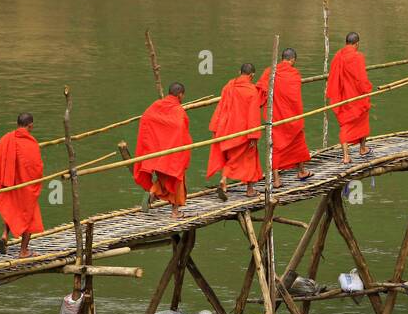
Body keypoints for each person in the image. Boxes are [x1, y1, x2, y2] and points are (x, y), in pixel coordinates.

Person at [0, 112, 44, 258]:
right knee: (29, 216)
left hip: (10, 184)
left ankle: (5, 234)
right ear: (30, 125)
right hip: (25, 187)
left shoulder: (6, 139)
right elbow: (36, 167)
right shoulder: (30, 142)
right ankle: (23, 251)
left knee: (11, 208)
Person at [133, 82, 193, 217]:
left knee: (165, 179)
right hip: (173, 155)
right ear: (180, 95)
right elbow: (181, 130)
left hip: (158, 155)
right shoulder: (179, 111)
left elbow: (146, 119)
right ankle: (175, 212)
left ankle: (153, 192)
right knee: (177, 180)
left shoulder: (156, 105)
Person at [256, 47, 312, 186]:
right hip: (292, 116)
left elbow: (261, 89)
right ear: (292, 60)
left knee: (276, 146)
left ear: (282, 58)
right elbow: (295, 97)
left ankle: (276, 180)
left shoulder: (270, 72)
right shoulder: (294, 74)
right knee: (298, 141)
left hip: (276, 117)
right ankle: (301, 171)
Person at [207, 63, 264, 196]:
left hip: (227, 130)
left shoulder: (229, 87)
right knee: (250, 158)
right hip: (243, 132)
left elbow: (221, 107)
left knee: (231, 158)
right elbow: (253, 114)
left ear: (239, 72)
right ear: (252, 75)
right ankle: (250, 190)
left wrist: (215, 126)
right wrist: (253, 135)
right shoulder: (251, 91)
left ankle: (224, 179)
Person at [326, 32, 372, 164]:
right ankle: (362, 148)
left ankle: (346, 156)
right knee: (362, 119)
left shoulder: (338, 56)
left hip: (343, 97)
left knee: (345, 125)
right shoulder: (358, 57)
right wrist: (367, 90)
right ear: (357, 43)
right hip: (356, 97)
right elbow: (361, 79)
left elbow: (334, 78)